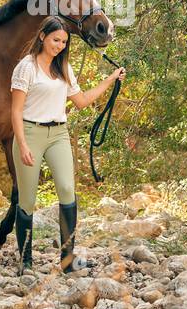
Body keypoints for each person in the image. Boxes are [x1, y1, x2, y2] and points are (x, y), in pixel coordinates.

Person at [8, 17, 125, 274]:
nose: (60, 45)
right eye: (55, 40)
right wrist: (24, 144)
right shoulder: (26, 68)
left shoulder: (64, 68)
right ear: (42, 37)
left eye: (64, 41)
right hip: (30, 132)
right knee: (27, 199)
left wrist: (110, 80)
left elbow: (81, 101)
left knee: (66, 189)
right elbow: (15, 112)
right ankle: (25, 261)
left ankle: (68, 260)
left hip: (58, 133)